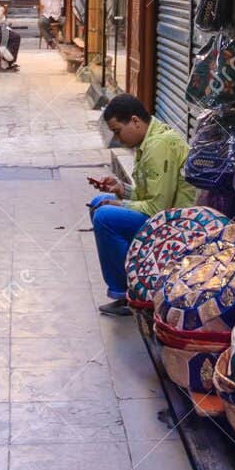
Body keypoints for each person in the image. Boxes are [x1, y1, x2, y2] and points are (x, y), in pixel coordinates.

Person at [90, 94, 192, 317]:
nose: (117, 139)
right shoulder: (148, 141)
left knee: (104, 216)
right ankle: (134, 277)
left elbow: (157, 209)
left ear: (135, 121)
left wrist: (121, 203)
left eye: (118, 131)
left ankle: (128, 294)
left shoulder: (159, 145)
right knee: (99, 203)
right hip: (163, 215)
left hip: (179, 225)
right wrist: (122, 190)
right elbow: (148, 195)